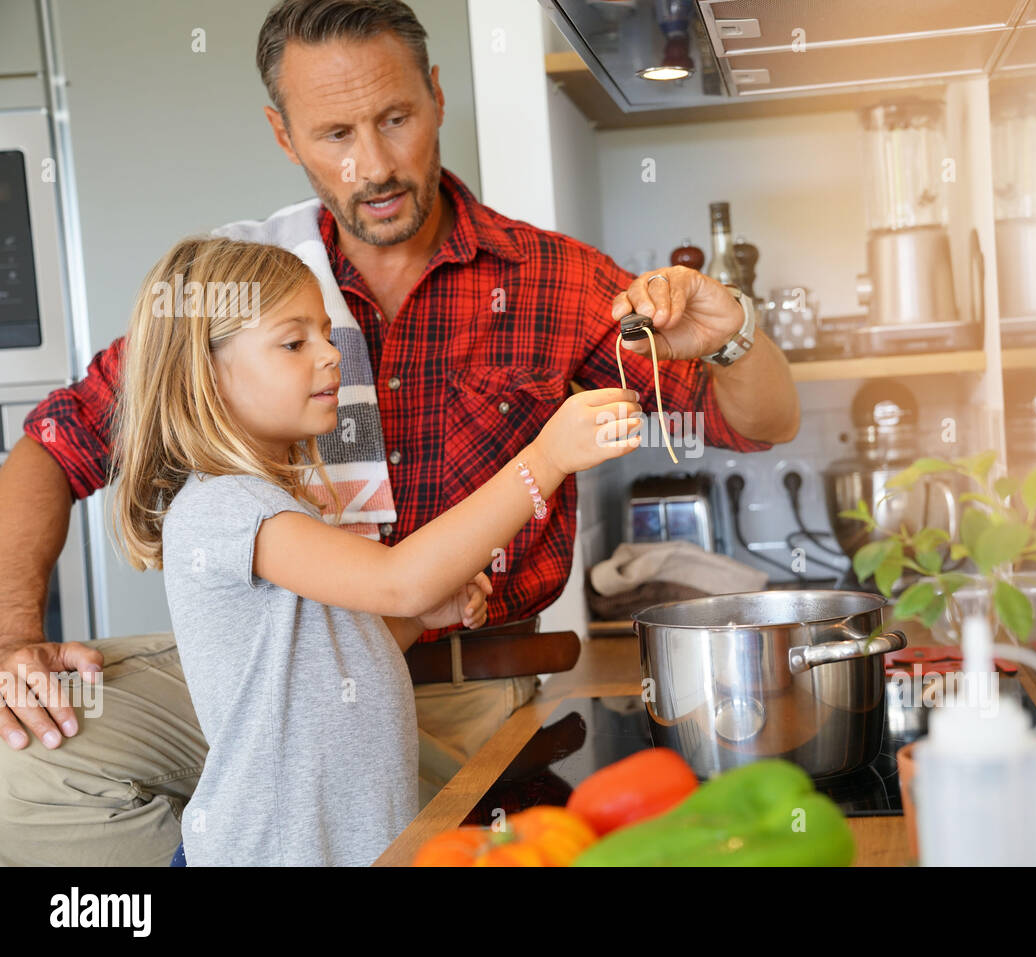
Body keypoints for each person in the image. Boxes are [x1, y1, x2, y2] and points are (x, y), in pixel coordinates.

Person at [0, 0, 799, 865]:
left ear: (437, 96)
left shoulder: (549, 282)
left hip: (446, 682)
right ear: (284, 135)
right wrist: (12, 639)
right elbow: (54, 441)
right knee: (24, 757)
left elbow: (755, 424)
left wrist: (733, 335)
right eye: (335, 132)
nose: (373, 164)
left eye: (395, 119)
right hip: (254, 682)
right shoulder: (243, 290)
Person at [108, 236, 639, 865]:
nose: (331, 356)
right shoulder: (228, 507)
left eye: (326, 336)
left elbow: (328, 663)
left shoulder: (269, 503)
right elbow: (397, 580)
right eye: (294, 341)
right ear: (206, 370)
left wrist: (417, 619)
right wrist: (544, 460)